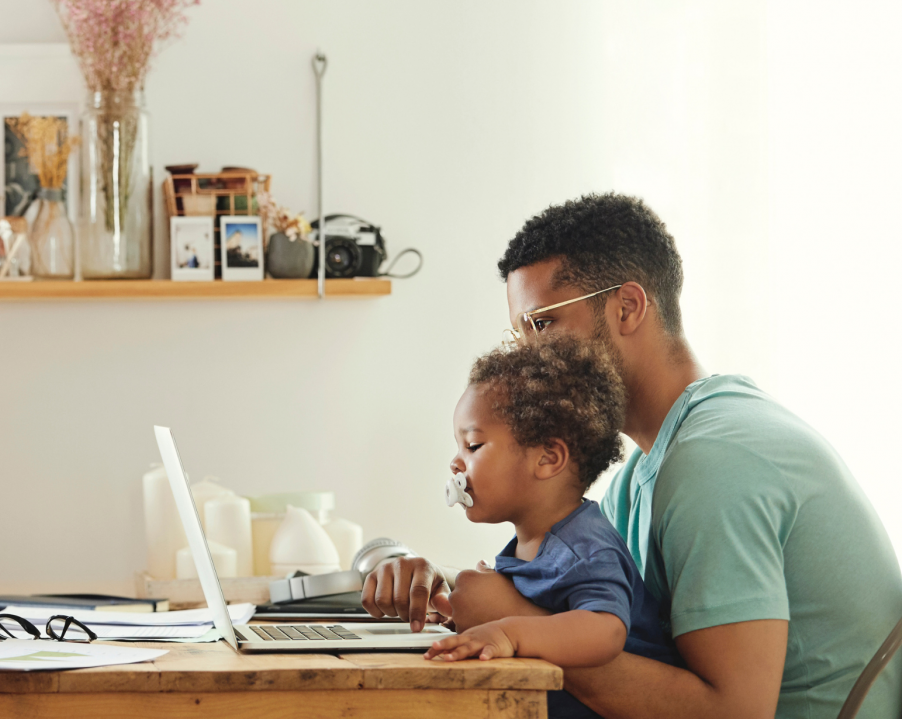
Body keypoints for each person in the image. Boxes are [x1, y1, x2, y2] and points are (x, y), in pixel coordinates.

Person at [363, 193, 902, 719]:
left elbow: (733, 712)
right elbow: (594, 607)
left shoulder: (717, 463)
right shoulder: (642, 473)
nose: (528, 354)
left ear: (627, 307)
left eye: (542, 324)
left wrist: (512, 620)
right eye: (519, 332)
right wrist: (446, 587)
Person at [424, 336, 679, 719]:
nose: (455, 464)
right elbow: (543, 615)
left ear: (548, 458)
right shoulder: (533, 542)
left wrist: (508, 631)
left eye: (473, 446)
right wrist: (458, 615)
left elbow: (606, 630)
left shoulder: (584, 546)